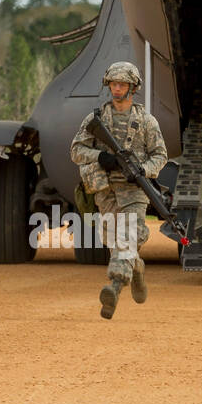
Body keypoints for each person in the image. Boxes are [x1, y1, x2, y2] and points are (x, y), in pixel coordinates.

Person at [69, 61, 168, 320]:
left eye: (122, 84)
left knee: (127, 238)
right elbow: (76, 151)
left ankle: (113, 286)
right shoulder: (96, 119)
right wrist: (101, 157)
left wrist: (142, 171)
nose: (116, 88)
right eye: (113, 84)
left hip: (134, 191)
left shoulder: (146, 121)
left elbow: (160, 156)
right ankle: (136, 270)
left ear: (133, 87)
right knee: (114, 242)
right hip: (105, 189)